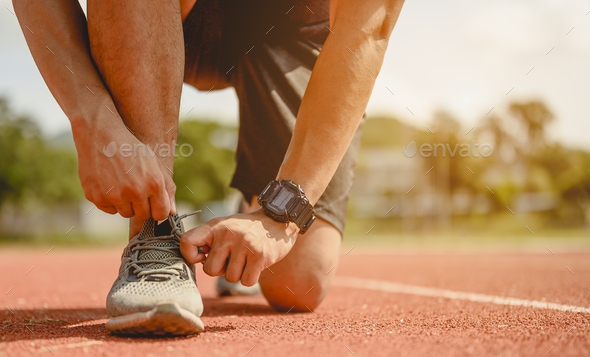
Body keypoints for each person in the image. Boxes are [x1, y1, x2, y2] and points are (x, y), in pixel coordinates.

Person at [14, 0, 405, 335]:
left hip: (295, 23)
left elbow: (366, 31)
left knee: (299, 283)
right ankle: (155, 233)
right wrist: (92, 121)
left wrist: (279, 216)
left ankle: (254, 201)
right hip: (171, 15)